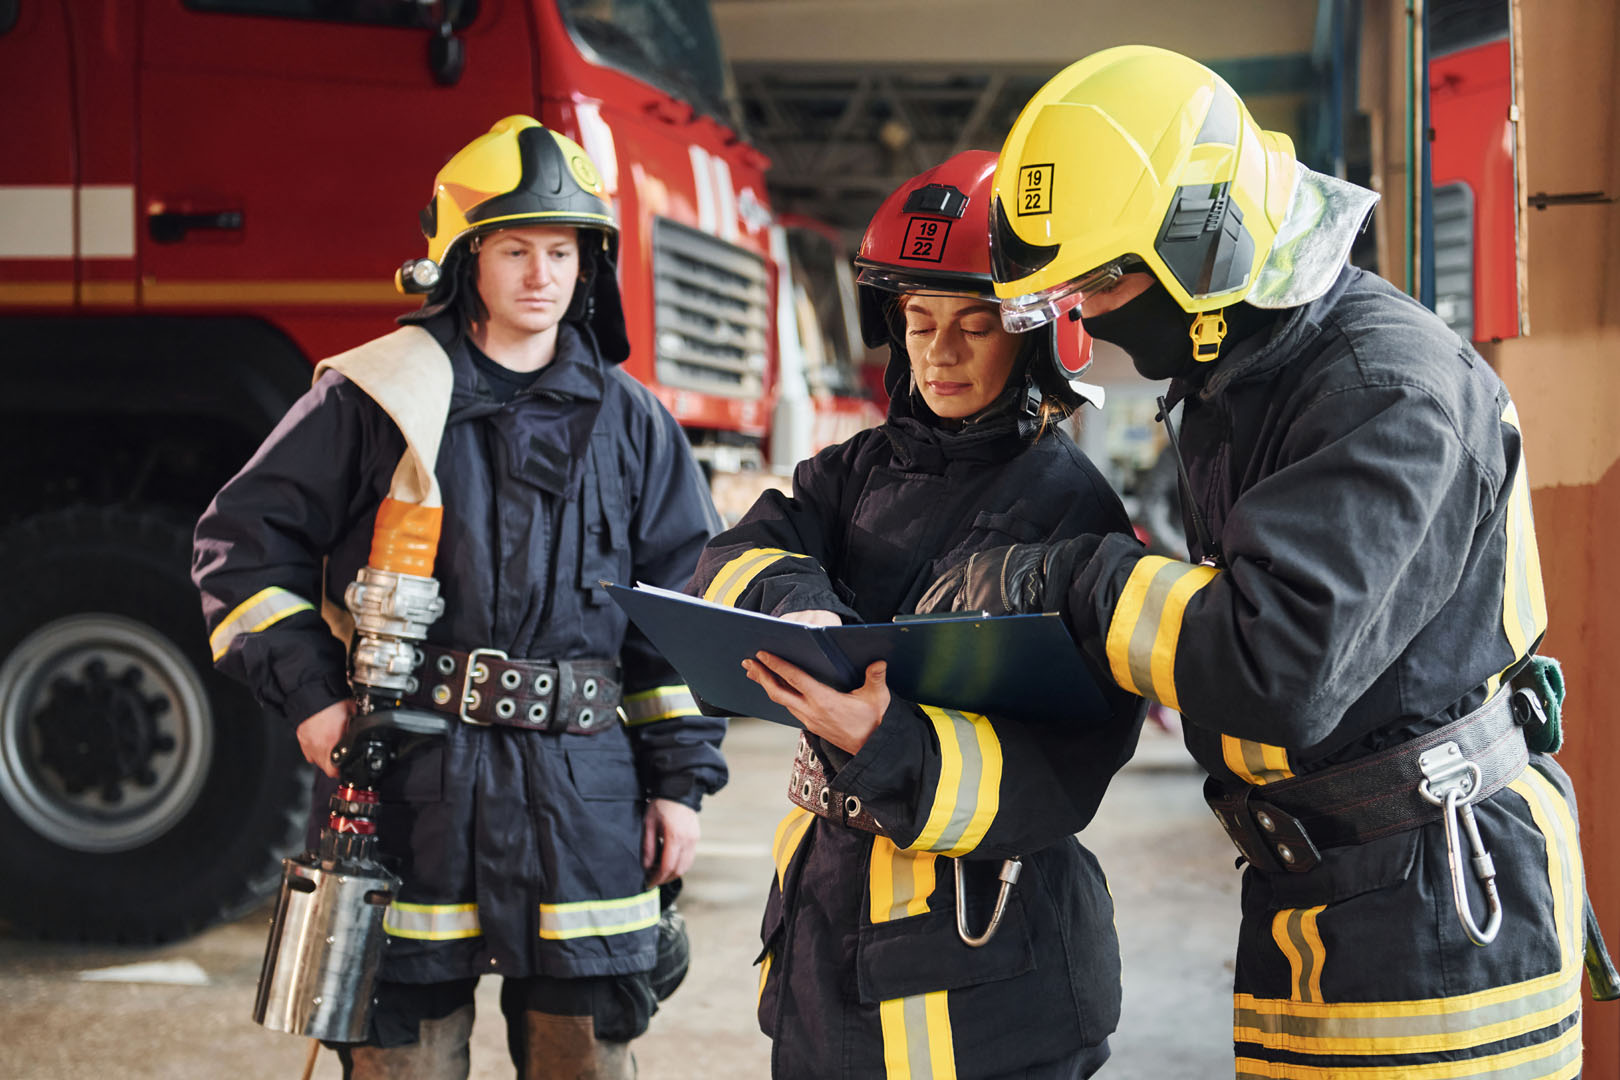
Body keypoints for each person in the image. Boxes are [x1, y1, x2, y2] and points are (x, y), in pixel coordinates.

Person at [922, 45, 1602, 1077]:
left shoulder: (1384, 388)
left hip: (1439, 918)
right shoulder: (1249, 372)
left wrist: (1065, 580)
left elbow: (1273, 666)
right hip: (1321, 883)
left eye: (1100, 281)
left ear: (1205, 238)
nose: (1083, 314)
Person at [193, 116, 727, 1079]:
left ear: (589, 264)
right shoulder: (378, 398)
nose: (540, 274)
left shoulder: (634, 423)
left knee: (585, 1058)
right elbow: (240, 549)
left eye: (561, 251)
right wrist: (314, 702)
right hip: (407, 785)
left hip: (584, 803)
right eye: (514, 249)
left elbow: (676, 618)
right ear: (464, 258)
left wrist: (679, 787)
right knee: (402, 1056)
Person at [684, 150, 1144, 1079]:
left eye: (975, 325)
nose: (940, 352)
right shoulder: (849, 471)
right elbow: (736, 559)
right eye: (919, 322)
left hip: (990, 975)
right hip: (823, 942)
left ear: (1038, 340)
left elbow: (1070, 766)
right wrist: (807, 616)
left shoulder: (1071, 508)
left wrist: (884, 740)